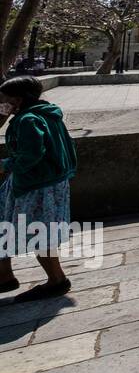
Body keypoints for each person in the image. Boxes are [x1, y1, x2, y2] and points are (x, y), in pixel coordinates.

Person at [0, 75, 78, 302]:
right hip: (46, 182)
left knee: (39, 232)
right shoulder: (48, 114)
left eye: (3, 97)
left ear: (17, 98)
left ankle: (57, 280)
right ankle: (4, 275)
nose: (0, 101)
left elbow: (32, 154)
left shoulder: (28, 120)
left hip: (36, 185)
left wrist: (5, 165)